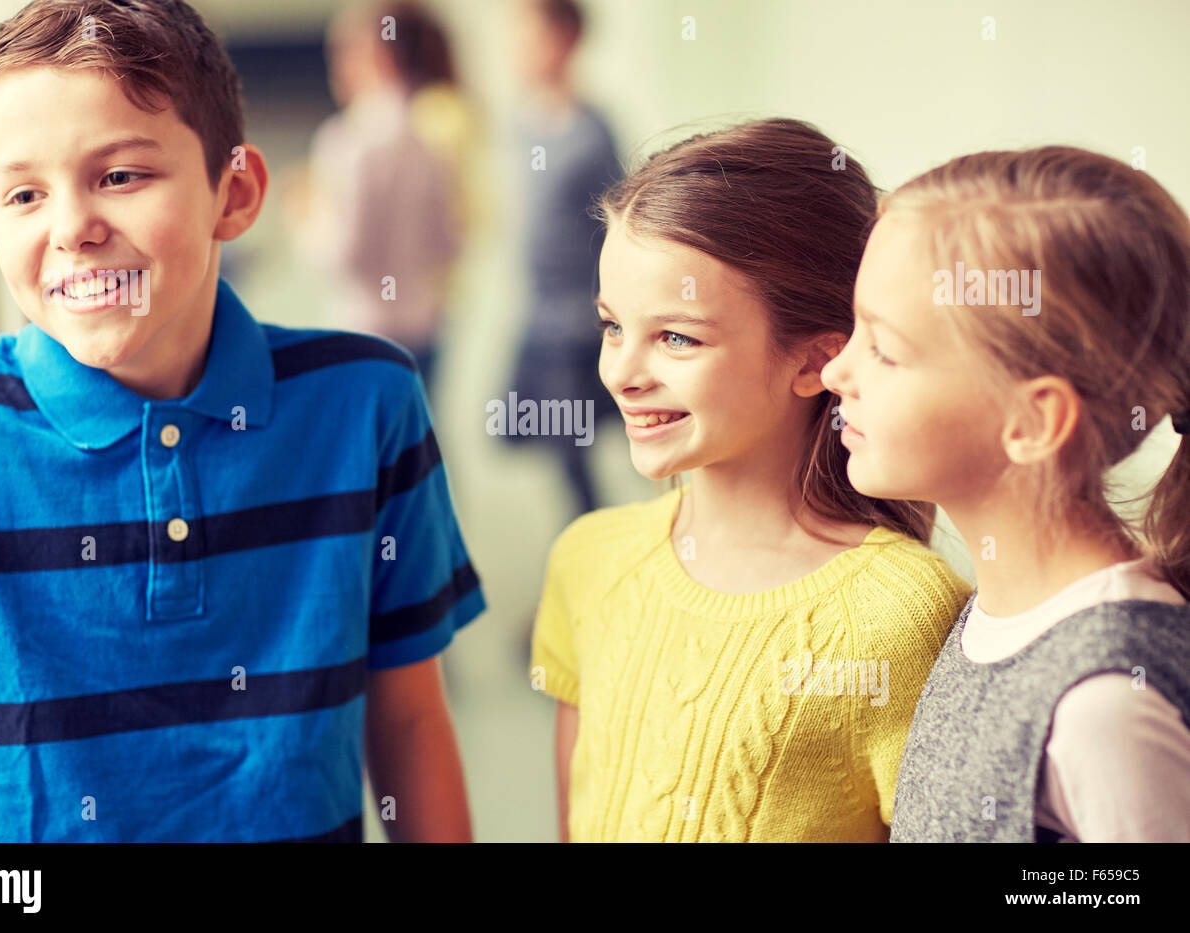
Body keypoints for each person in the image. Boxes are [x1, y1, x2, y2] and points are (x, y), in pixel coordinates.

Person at [0, 0, 483, 843]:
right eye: (23, 192)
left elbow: (412, 720)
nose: (72, 229)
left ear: (233, 194)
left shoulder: (368, 404)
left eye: (120, 176)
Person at [530, 118, 972, 842]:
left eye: (677, 337)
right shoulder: (586, 558)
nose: (623, 374)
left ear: (813, 361)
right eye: (613, 326)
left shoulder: (903, 616)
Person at [822, 146, 1190, 842]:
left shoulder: (1106, 704)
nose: (838, 369)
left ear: (1032, 421)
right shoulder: (1000, 612)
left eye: (886, 349)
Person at [302, 1, 462, 398]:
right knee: (416, 451)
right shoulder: (429, 137)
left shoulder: (346, 141)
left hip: (366, 332)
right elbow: (449, 244)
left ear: (374, 54)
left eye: (341, 52)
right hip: (426, 328)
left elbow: (346, 254)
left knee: (366, 454)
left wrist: (305, 219)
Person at [503, 0, 621, 516]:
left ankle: (594, 550)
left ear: (566, 40)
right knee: (555, 447)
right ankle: (582, 549)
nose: (520, 47)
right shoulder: (524, 124)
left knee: (576, 450)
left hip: (578, 319)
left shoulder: (592, 132)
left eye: (531, 34)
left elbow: (617, 226)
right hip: (539, 311)